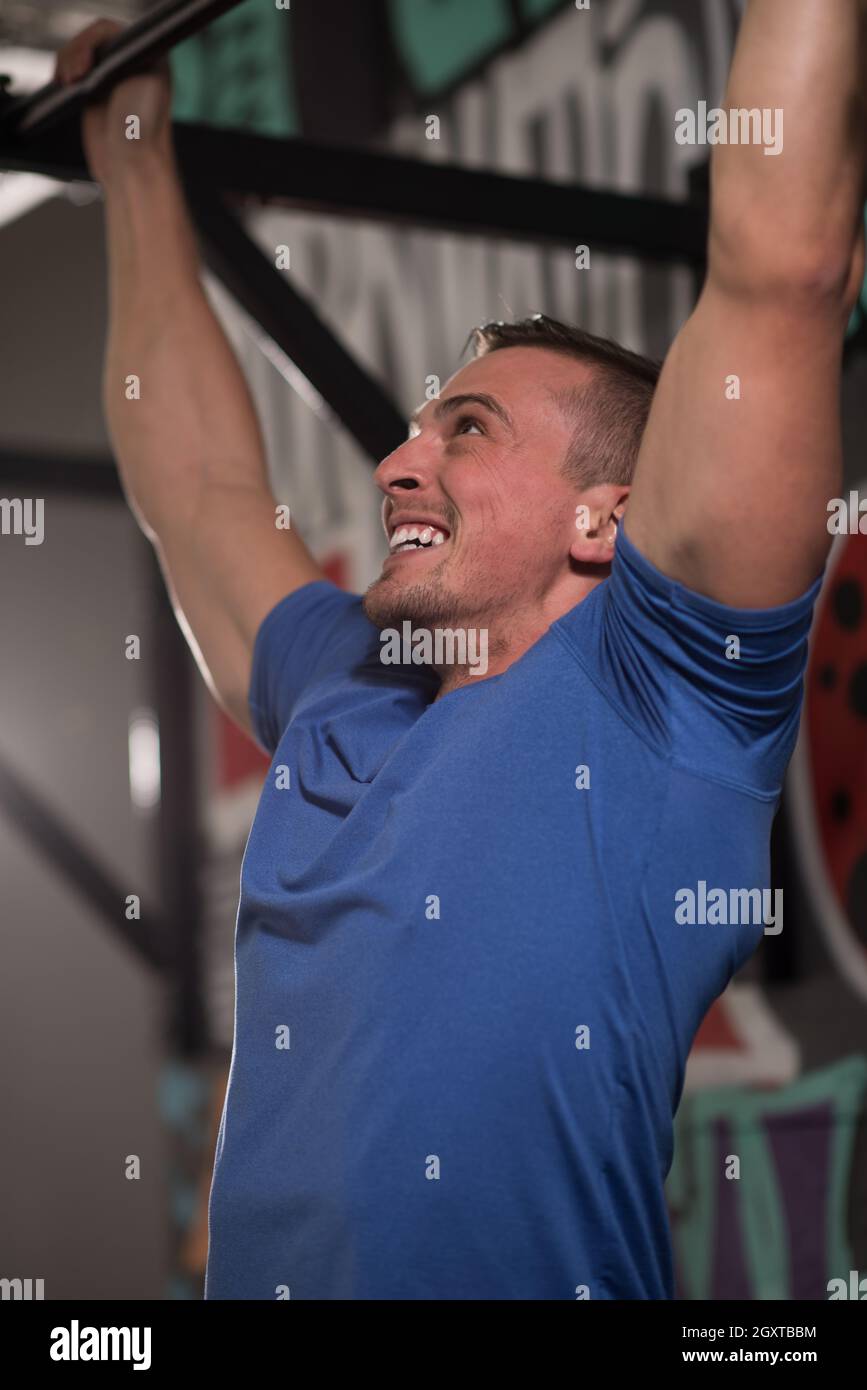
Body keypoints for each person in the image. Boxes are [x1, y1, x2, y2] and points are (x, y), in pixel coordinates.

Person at [56, 1, 866, 1299]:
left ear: (611, 516)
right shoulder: (341, 686)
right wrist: (135, 151)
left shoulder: (665, 696)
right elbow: (198, 485)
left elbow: (784, 266)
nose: (394, 466)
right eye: (417, 431)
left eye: (466, 431)